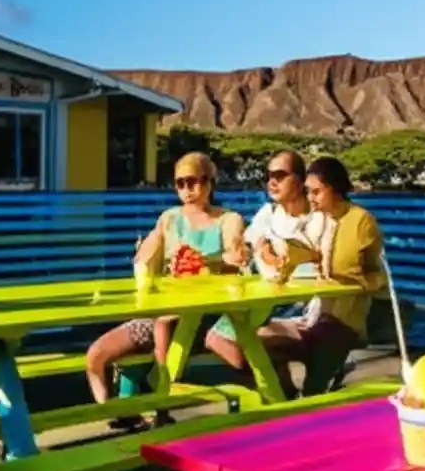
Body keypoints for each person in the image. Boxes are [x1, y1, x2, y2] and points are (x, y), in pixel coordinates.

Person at [84, 152, 247, 427]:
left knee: (163, 324)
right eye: (179, 183)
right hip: (161, 312)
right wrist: (143, 258)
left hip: (204, 317)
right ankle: (116, 412)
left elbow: (235, 258)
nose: (186, 189)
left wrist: (210, 262)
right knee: (95, 356)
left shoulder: (228, 219)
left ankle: (159, 406)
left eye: (192, 181)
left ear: (209, 183)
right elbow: (145, 257)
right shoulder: (169, 219)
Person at [256, 156, 386, 398]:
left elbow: (379, 275)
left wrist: (360, 285)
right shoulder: (320, 220)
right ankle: (285, 395)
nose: (311, 199)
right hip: (314, 316)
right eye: (308, 192)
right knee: (256, 341)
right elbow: (309, 254)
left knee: (315, 387)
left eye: (316, 192)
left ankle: (315, 394)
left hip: (343, 320)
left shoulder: (360, 221)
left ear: (334, 188)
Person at [205, 150, 337, 371]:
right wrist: (245, 252)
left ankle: (274, 388)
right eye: (269, 176)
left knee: (226, 341)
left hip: (305, 310)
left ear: (300, 179)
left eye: (280, 175)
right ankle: (279, 390)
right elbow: (248, 246)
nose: (272, 182)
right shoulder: (269, 213)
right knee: (217, 339)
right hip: (267, 305)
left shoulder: (319, 219)